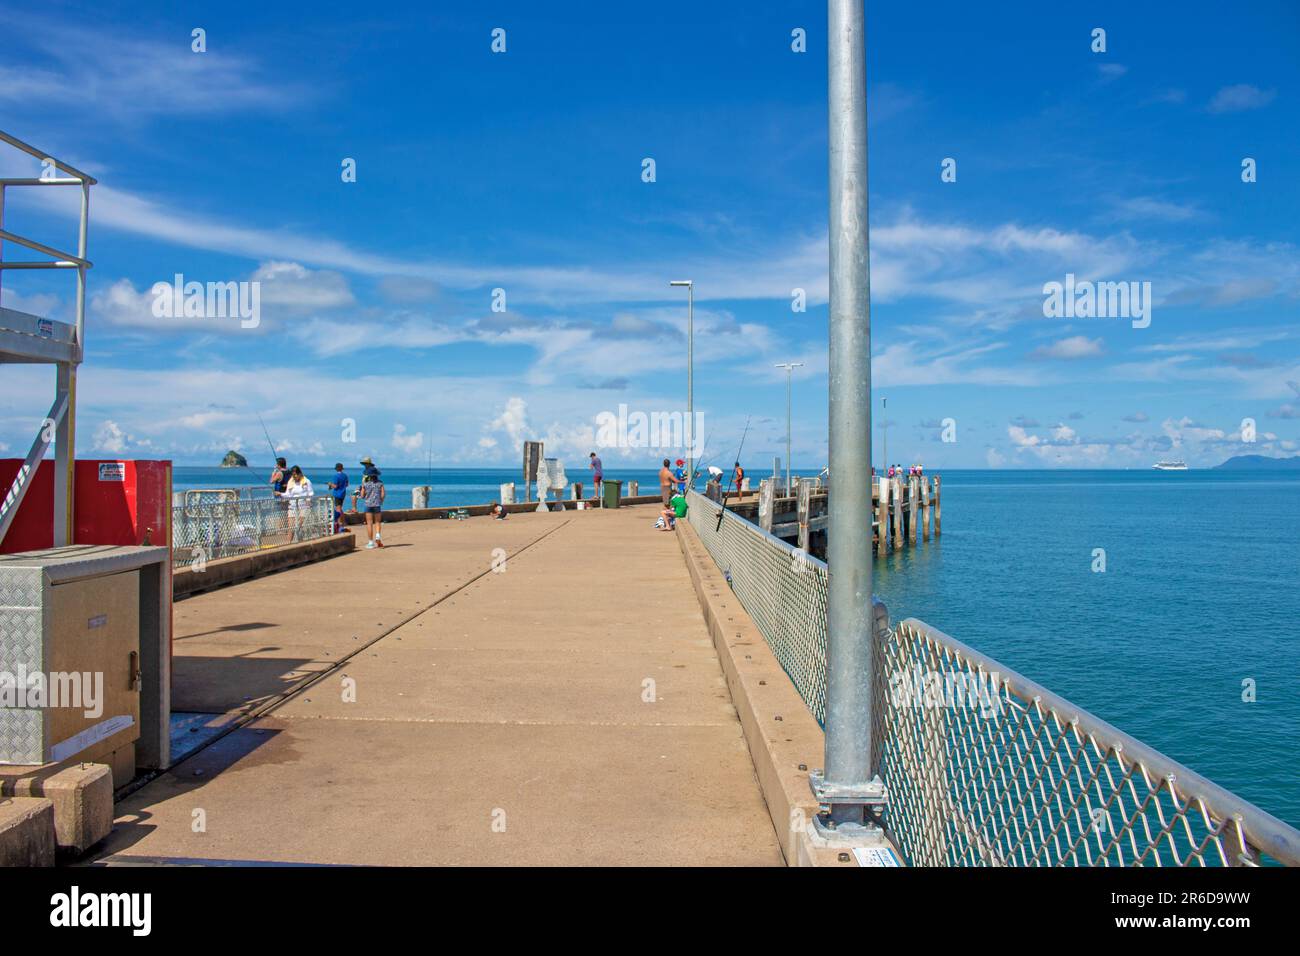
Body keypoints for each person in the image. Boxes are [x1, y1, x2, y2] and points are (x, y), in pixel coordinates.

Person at [283, 465, 314, 541]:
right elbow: (287, 494)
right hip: (292, 506)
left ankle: (300, 541)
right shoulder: (290, 482)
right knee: (291, 528)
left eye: (295, 475)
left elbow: (310, 493)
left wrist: (308, 500)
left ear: (299, 473)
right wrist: (280, 494)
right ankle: (288, 545)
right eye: (292, 475)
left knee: (298, 526)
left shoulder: (306, 481)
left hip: (303, 506)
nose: (293, 477)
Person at [359, 471, 386, 549]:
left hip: (368, 505)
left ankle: (370, 543)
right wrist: (381, 501)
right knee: (377, 522)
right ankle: (377, 536)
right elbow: (383, 494)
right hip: (377, 505)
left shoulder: (365, 484)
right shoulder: (380, 483)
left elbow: (362, 495)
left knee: (369, 523)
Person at [327, 463, 349, 533]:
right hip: (343, 494)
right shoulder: (345, 475)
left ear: (336, 469)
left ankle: (340, 524)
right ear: (342, 468)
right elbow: (347, 484)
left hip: (337, 494)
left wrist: (330, 484)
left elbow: (335, 486)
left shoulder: (336, 476)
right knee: (340, 508)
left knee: (338, 509)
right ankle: (343, 522)